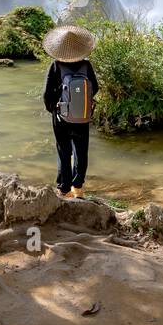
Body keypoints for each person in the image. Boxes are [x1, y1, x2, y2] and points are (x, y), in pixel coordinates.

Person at [41, 25, 99, 199]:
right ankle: (78, 187)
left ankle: (64, 189)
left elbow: (47, 93)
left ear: (59, 48)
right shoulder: (87, 66)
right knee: (81, 151)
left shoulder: (56, 65)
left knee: (64, 151)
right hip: (82, 115)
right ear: (81, 47)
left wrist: (54, 108)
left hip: (61, 116)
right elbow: (95, 88)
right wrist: (81, 102)